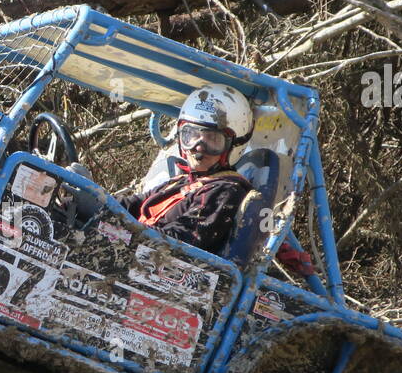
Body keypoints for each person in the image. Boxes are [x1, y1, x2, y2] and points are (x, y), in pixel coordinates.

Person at [117, 85, 315, 276]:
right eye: (191, 136)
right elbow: (132, 204)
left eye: (212, 140)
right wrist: (99, 205)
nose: (198, 147)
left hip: (156, 268)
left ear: (233, 145)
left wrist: (122, 230)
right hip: (137, 253)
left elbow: (183, 240)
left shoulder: (225, 191)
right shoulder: (183, 181)